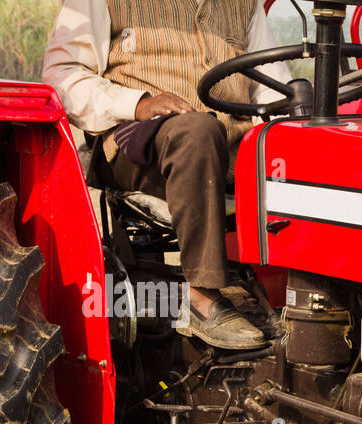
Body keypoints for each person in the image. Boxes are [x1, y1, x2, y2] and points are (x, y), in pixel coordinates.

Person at [42, 0, 293, 349]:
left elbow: (272, 83)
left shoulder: (246, 5)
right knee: (198, 131)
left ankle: (309, 297)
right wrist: (137, 103)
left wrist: (289, 130)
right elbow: (63, 74)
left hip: (231, 150)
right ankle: (200, 294)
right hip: (140, 144)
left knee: (304, 142)